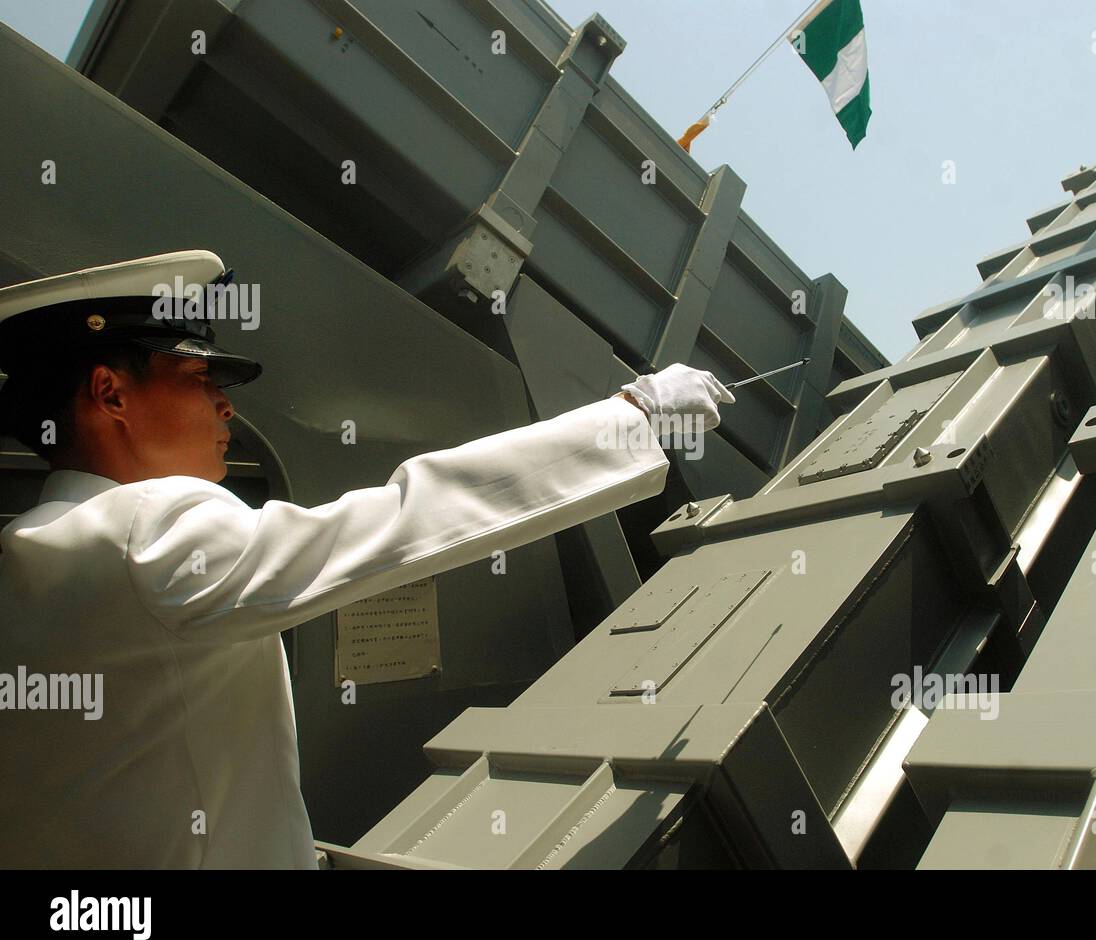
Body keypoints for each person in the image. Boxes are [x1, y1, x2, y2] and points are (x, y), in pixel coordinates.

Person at [0, 250, 733, 869]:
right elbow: (402, 519)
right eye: (201, 382)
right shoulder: (143, 532)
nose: (226, 409)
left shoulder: (30, 549)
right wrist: (632, 419)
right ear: (110, 393)